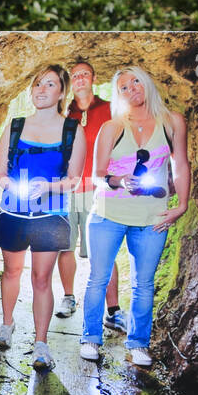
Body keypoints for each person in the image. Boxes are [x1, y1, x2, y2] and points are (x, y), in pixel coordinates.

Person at [80, 66, 191, 368]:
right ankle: (90, 338)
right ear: (119, 95)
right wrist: (119, 180)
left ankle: (138, 344)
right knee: (98, 279)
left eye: (136, 82)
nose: (131, 89)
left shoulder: (171, 122)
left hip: (153, 215)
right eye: (124, 87)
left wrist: (181, 205)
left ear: (147, 83)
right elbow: (98, 175)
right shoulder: (113, 127)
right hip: (108, 214)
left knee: (144, 283)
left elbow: (180, 164)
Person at [0, 64, 87, 372]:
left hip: (50, 216)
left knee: (42, 278)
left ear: (62, 92)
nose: (41, 90)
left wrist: (47, 186)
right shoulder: (15, 126)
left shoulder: (73, 130)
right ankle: (7, 325)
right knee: (11, 271)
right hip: (13, 212)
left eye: (49, 84)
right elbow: (1, 175)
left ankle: (41, 344)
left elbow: (74, 180)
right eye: (37, 84)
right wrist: (14, 188)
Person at [57, 60, 125, 331]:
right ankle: (68, 297)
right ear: (70, 83)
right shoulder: (62, 113)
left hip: (101, 191)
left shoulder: (110, 110)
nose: (80, 79)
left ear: (94, 78)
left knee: (104, 251)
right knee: (65, 246)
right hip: (68, 190)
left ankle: (113, 310)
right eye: (75, 75)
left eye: (84, 74)